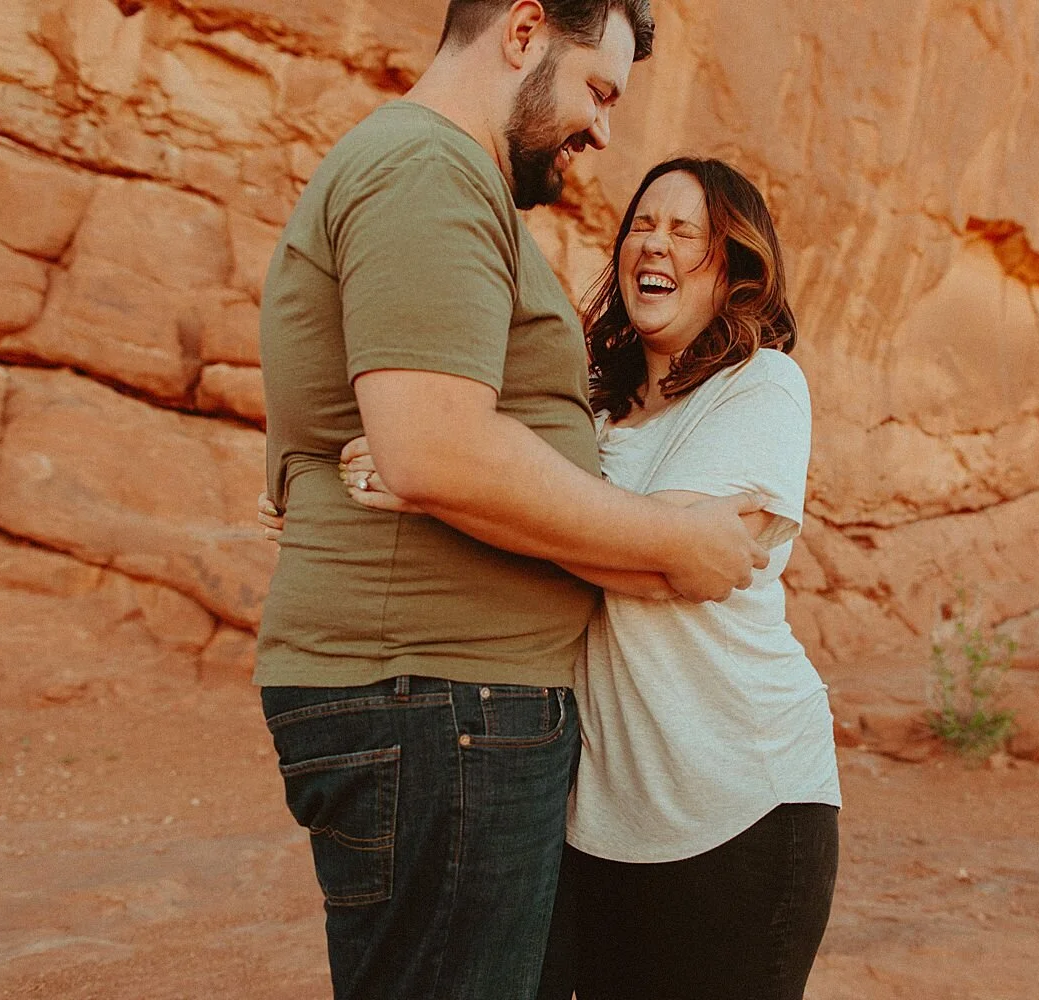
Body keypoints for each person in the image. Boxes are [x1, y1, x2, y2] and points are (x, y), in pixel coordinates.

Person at [253, 2, 772, 998]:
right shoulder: (427, 167)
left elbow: (429, 448)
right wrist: (669, 541)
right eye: (598, 91)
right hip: (438, 701)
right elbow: (436, 447)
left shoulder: (446, 179)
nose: (603, 131)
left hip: (445, 704)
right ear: (524, 32)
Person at [325, 157, 841, 1000]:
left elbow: (654, 564)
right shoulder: (587, 410)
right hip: (597, 819)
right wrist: (443, 475)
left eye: (686, 232)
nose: (655, 244)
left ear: (734, 268)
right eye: (643, 224)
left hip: (741, 799)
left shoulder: (761, 386)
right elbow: (586, 529)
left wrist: (442, 485)